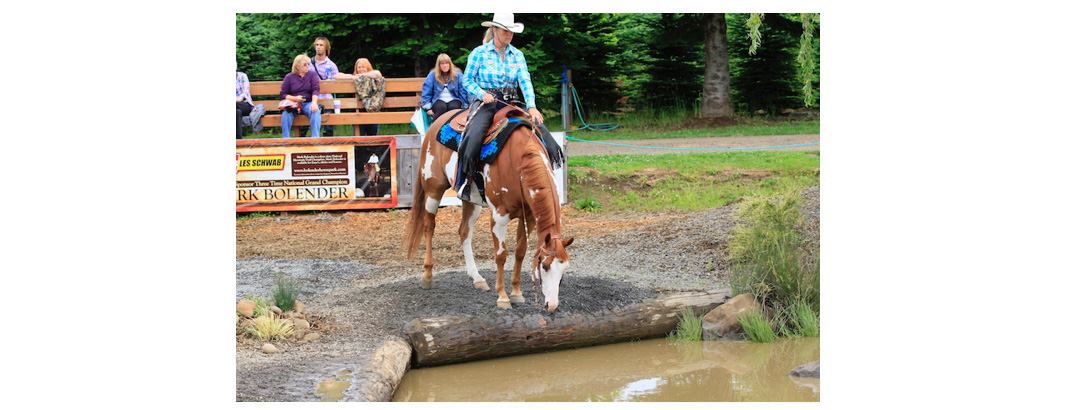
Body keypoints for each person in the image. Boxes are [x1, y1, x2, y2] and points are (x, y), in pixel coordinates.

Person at [456, 12, 565, 202]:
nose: (509, 35)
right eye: (505, 31)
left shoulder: (518, 55)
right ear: (495, 30)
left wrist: (531, 107)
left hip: (512, 102)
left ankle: (547, 178)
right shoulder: (479, 53)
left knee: (542, 132)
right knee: (473, 135)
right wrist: (482, 94)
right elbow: (467, 80)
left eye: (511, 31)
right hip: (487, 103)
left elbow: (525, 82)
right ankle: (465, 179)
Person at [300, 37, 340, 137]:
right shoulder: (309, 63)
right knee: (304, 125)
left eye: (321, 45)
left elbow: (336, 84)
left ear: (326, 47)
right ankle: (301, 143)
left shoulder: (331, 65)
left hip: (326, 97)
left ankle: (328, 144)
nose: (318, 47)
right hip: (311, 97)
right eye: (317, 45)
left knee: (328, 126)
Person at [280, 54, 321, 138]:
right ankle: (286, 139)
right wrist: (295, 98)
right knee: (286, 113)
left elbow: (315, 90)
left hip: (308, 102)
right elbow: (283, 94)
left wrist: (314, 103)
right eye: (304, 64)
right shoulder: (289, 77)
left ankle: (315, 138)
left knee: (315, 111)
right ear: (297, 66)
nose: (307, 66)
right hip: (294, 103)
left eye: (308, 64)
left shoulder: (312, 75)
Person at [421, 53, 468, 121]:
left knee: (453, 107)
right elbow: (426, 92)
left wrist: (465, 106)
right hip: (438, 100)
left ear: (450, 64)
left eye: (446, 63)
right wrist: (428, 108)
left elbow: (463, 90)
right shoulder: (432, 75)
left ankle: (451, 130)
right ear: (439, 65)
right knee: (441, 107)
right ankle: (436, 129)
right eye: (442, 64)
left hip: (454, 99)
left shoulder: (457, 74)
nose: (445, 66)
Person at [353, 58, 384, 136]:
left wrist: (361, 76)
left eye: (363, 67)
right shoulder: (354, 77)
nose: (361, 69)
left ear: (368, 67)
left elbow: (378, 74)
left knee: (372, 135)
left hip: (372, 108)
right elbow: (337, 76)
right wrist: (354, 77)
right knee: (359, 137)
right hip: (359, 110)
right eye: (359, 67)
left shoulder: (373, 75)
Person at [236, 62, 253, 139]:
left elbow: (246, 92)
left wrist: (239, 99)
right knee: (237, 112)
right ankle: (238, 140)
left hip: (244, 104)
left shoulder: (242, 76)